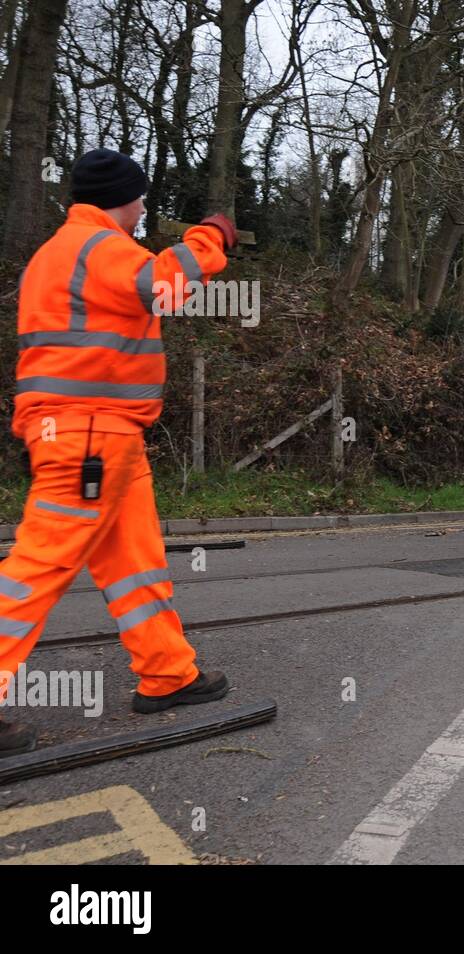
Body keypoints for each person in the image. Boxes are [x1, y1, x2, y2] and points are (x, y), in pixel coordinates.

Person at [0, 148, 239, 757]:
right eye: (139, 201)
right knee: (38, 569)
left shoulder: (53, 256)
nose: (141, 212)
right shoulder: (99, 247)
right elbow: (166, 285)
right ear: (123, 199)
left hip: (95, 437)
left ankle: (168, 674)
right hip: (89, 436)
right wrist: (210, 236)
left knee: (136, 563)